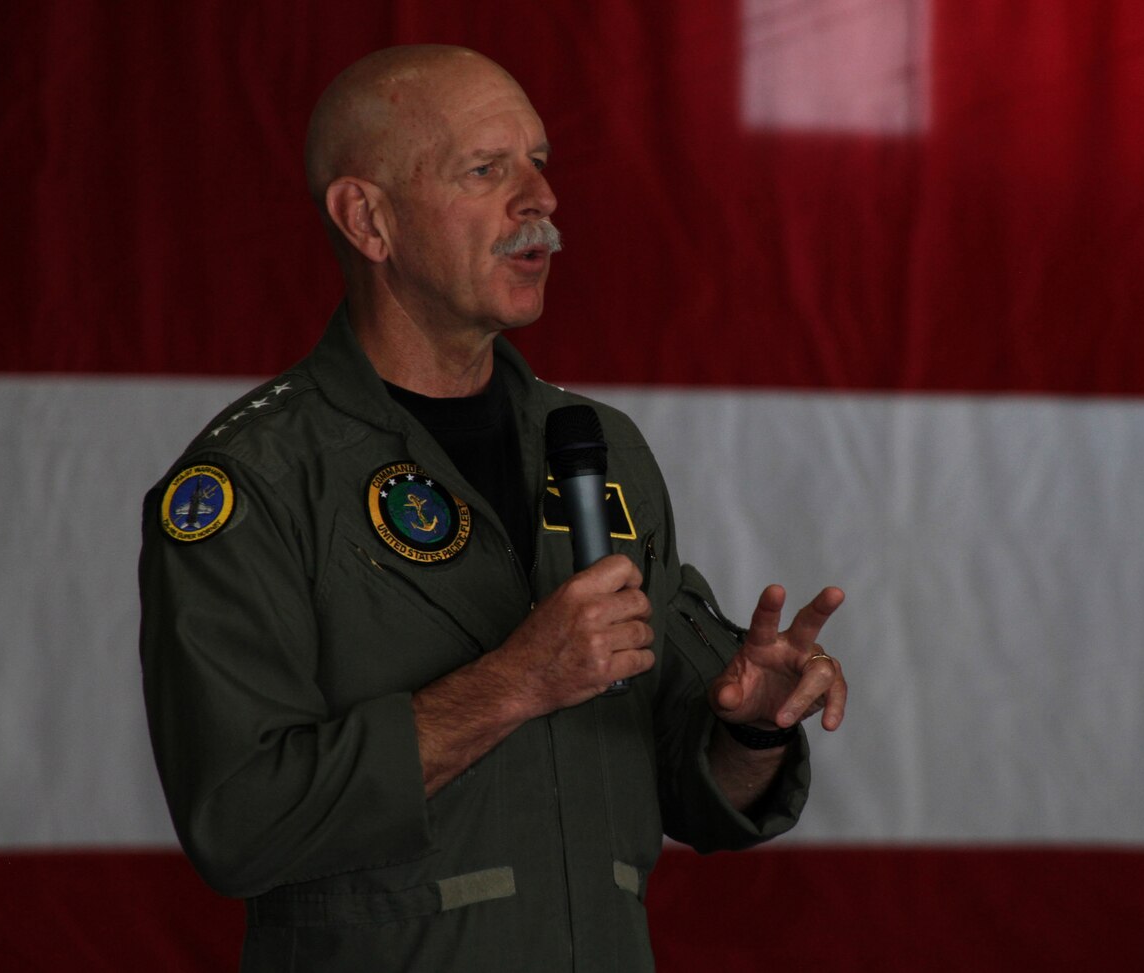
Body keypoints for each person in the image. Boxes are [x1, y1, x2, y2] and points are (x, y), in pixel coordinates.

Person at [138, 44, 847, 971]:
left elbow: (686, 781)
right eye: (486, 169)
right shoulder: (254, 483)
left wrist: (751, 726)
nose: (540, 201)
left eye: (540, 161)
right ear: (369, 219)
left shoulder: (599, 450)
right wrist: (517, 679)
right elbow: (240, 821)